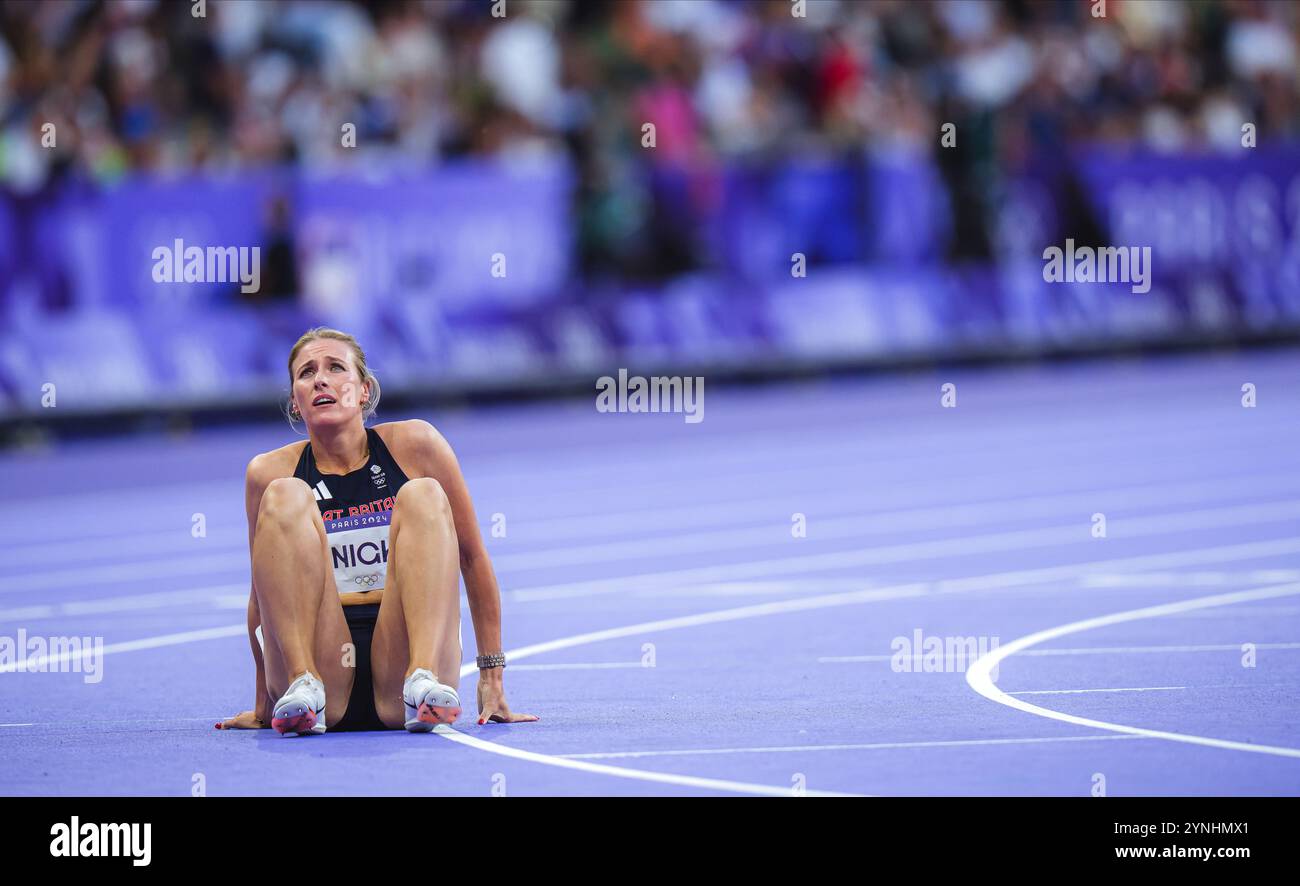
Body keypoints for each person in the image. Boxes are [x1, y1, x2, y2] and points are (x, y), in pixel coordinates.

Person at [217, 327, 537, 734]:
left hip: (401, 656)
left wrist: (492, 678)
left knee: (422, 494)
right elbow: (262, 596)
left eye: (335, 367)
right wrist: (262, 706)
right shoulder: (268, 474)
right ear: (295, 403)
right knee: (285, 495)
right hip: (325, 662)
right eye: (306, 373)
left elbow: (472, 559)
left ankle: (421, 682)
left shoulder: (418, 446)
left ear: (364, 389)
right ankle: (303, 684)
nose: (320, 379)